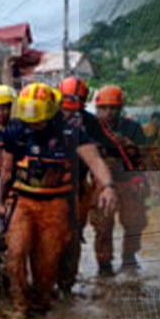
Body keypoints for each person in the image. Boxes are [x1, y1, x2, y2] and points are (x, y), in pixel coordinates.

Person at [0, 83, 117, 319]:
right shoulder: (16, 129)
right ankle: (19, 305)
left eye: (38, 122)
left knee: (47, 263)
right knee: (16, 252)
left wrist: (108, 186)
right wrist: (1, 202)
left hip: (57, 203)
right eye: (29, 121)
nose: (33, 126)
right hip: (24, 201)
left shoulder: (71, 132)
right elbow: (7, 170)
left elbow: (95, 161)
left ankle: (41, 301)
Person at [57, 76, 116, 287]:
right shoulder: (48, 118)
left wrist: (106, 186)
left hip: (82, 184)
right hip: (55, 186)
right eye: (66, 110)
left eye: (74, 110)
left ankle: (102, 268)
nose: (70, 114)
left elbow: (102, 155)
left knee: (92, 226)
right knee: (62, 234)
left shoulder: (90, 123)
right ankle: (60, 279)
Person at [89, 85, 149, 276]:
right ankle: (104, 265)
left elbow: (150, 158)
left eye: (113, 108)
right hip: (102, 184)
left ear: (120, 108)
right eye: (104, 108)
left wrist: (142, 178)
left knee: (134, 222)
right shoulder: (90, 130)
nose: (108, 112)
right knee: (103, 226)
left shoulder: (133, 128)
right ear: (97, 108)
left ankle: (129, 259)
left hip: (129, 182)